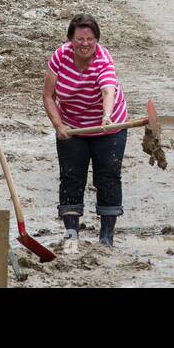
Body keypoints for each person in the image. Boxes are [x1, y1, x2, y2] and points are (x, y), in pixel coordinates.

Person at [43, 14, 129, 247]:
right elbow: (48, 96)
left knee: (108, 176)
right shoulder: (61, 56)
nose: (85, 44)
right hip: (72, 128)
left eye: (90, 39)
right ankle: (71, 234)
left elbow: (108, 90)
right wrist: (58, 125)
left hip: (109, 127)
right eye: (79, 39)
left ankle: (106, 237)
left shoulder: (103, 59)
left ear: (97, 40)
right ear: (70, 39)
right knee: (71, 177)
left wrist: (107, 116)